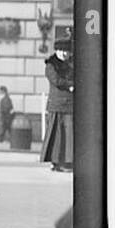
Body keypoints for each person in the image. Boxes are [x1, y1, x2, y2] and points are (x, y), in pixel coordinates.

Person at [42, 39, 74, 172]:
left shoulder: (72, 64)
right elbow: (56, 80)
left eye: (66, 51)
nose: (64, 54)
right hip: (56, 105)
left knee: (69, 135)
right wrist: (70, 85)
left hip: (70, 105)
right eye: (61, 51)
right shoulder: (51, 66)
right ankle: (55, 162)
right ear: (56, 51)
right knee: (57, 135)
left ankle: (68, 162)